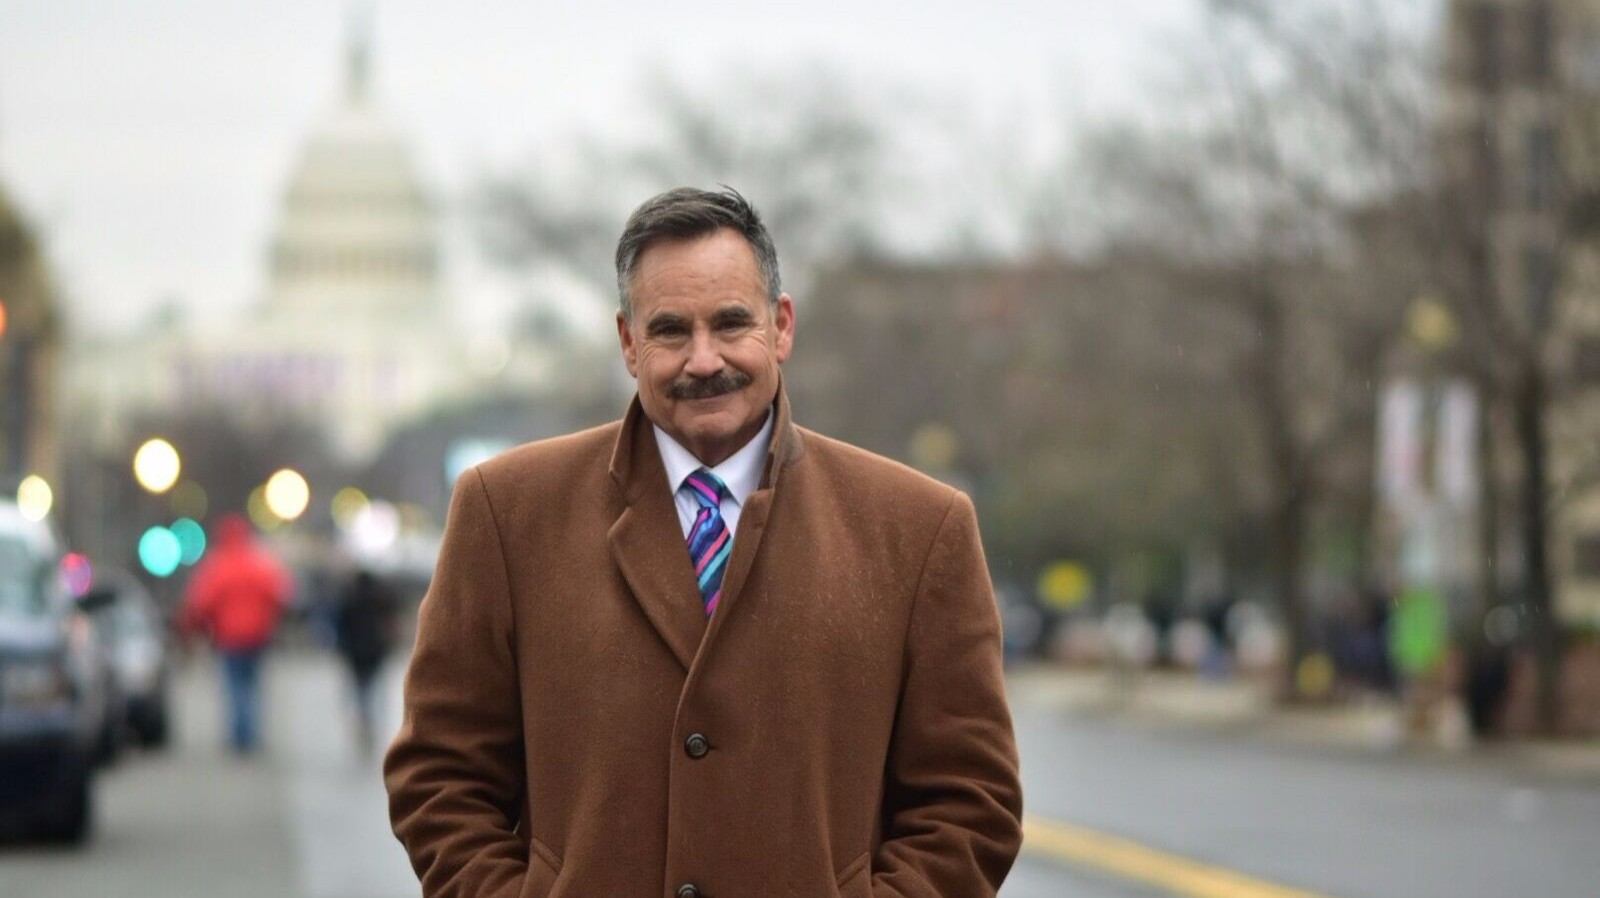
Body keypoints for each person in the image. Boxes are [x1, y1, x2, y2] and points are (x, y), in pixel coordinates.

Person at [385, 187, 1023, 898]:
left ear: (781, 327)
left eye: (730, 323)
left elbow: (971, 804)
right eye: (669, 331)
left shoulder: (919, 529)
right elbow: (440, 778)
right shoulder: (506, 513)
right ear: (628, 343)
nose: (703, 359)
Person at [180, 514, 292, 754]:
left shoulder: (218, 566)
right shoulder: (260, 563)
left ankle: (240, 734)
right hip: (258, 636)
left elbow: (201, 602)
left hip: (229, 637)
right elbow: (280, 595)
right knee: (253, 686)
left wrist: (200, 626)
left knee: (234, 687)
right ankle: (250, 732)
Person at [334, 568, 400, 753]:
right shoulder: (381, 598)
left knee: (359, 687)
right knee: (375, 686)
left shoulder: (349, 598)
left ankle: (364, 717)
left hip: (355, 651)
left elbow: (341, 626)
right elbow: (390, 623)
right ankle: (373, 721)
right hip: (376, 650)